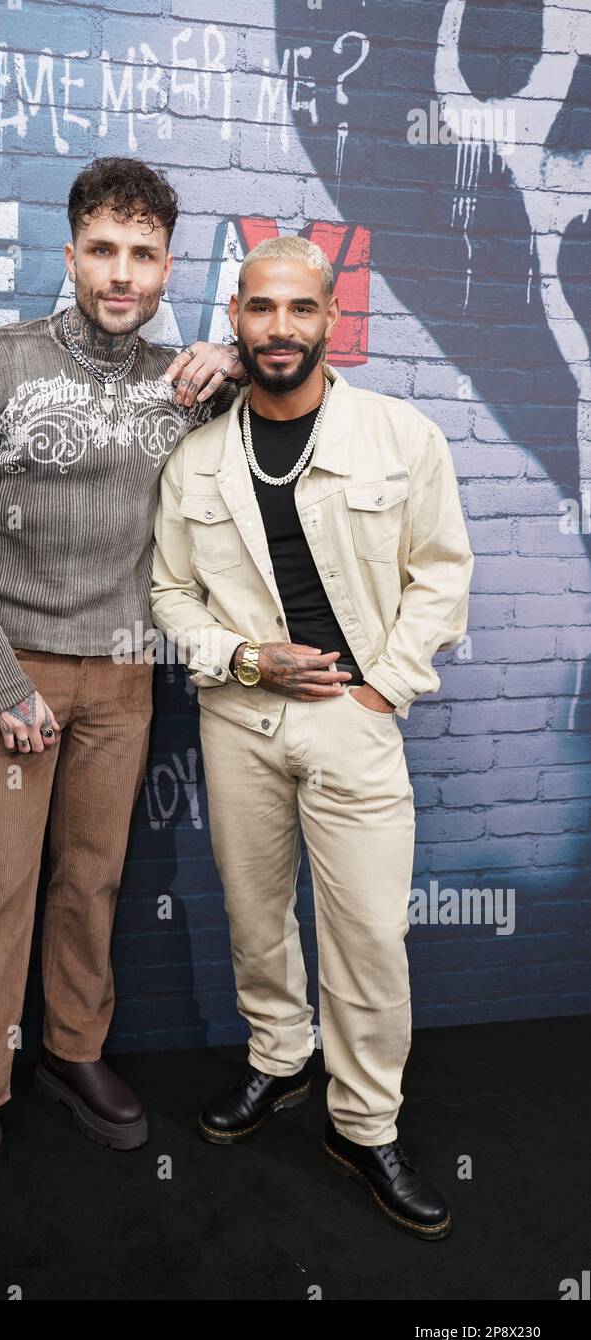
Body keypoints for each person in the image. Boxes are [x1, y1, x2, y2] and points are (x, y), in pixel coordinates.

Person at [0, 156, 244, 1234]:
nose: (122, 272)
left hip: (127, 677)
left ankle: (74, 1054)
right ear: (70, 254)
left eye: (143, 254)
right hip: (16, 676)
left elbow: (268, 413)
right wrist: (1, 683)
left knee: (90, 884)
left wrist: (228, 358)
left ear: (165, 267)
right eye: (103, 248)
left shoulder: (181, 382)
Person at [149, 235, 474, 1240]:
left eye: (300, 310)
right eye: (260, 310)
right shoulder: (198, 455)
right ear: (235, 319)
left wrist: (380, 689)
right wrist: (248, 660)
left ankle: (364, 1123)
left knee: (368, 936)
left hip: (353, 726)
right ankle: (277, 1059)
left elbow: (441, 574)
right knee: (255, 915)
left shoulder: (399, 435)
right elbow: (167, 593)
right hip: (237, 721)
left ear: (331, 319)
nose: (280, 329)